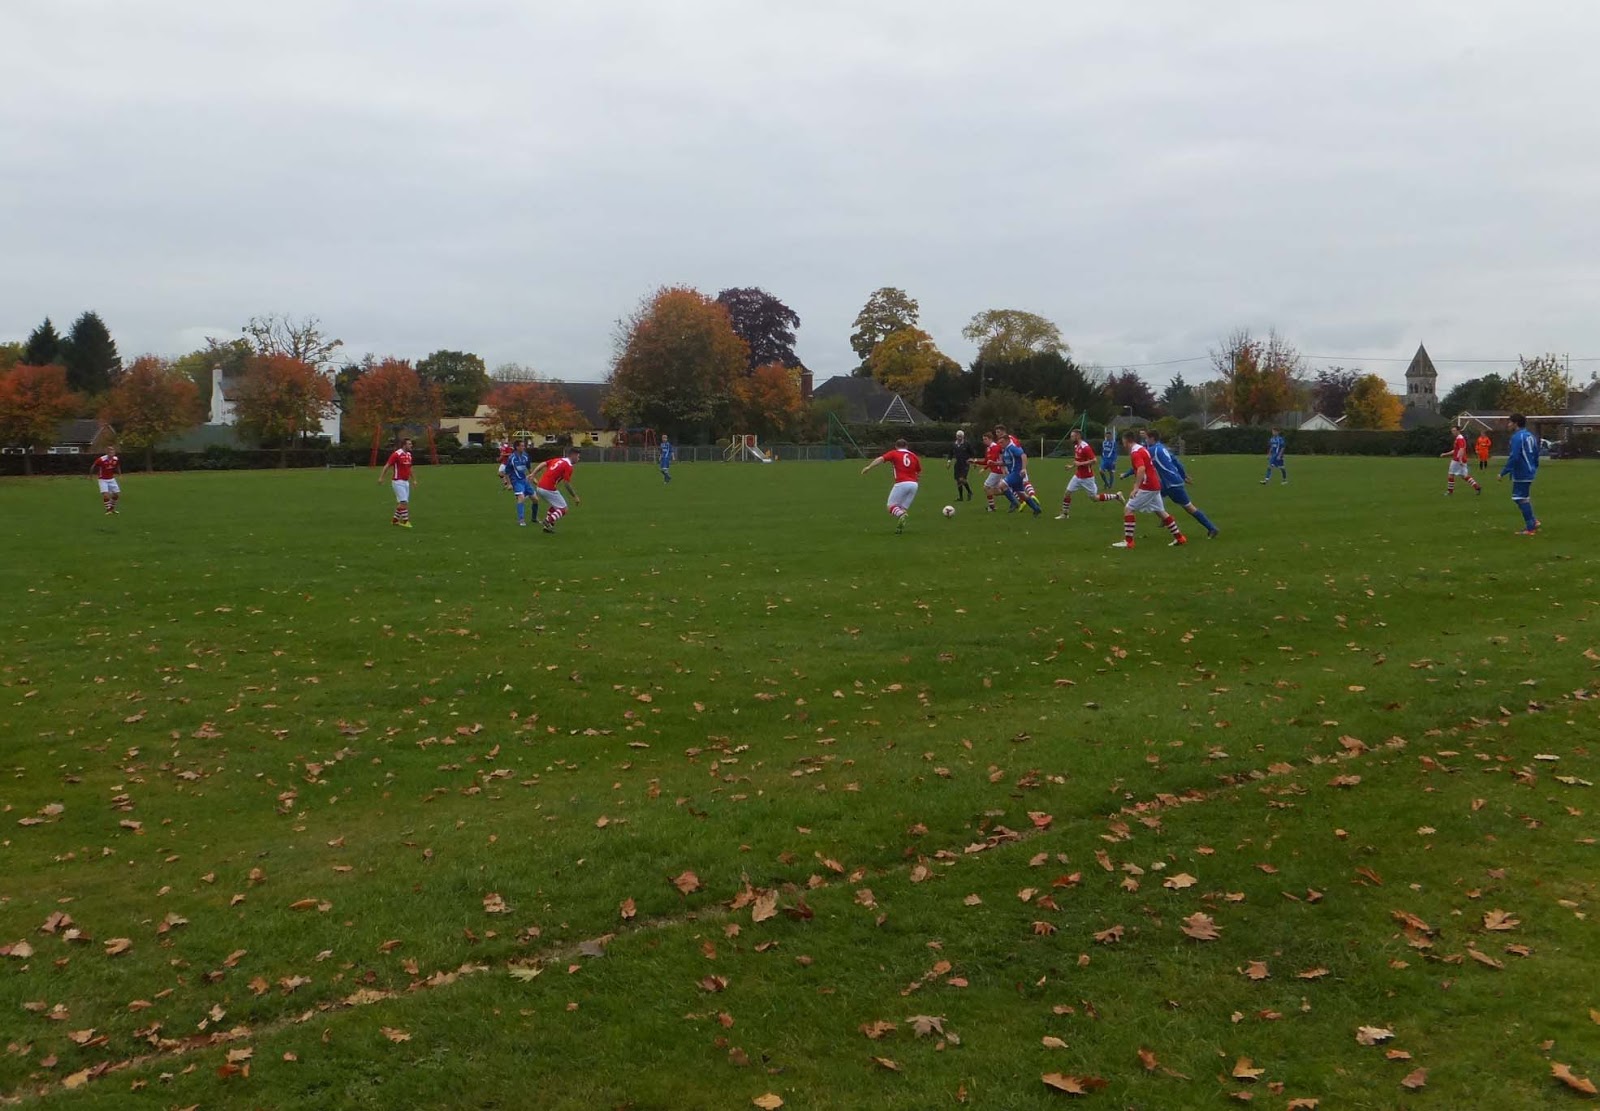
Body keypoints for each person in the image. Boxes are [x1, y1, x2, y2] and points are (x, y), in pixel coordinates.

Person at [1113, 430, 1186, 549]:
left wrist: (1136, 487)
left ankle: (1128, 542)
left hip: (1148, 486)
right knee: (1160, 512)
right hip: (1155, 484)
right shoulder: (1141, 448)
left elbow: (1141, 469)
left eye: (1123, 441)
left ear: (1126, 440)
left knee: (1129, 509)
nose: (1123, 443)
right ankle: (1179, 538)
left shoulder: (1135, 452)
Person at [1147, 429, 1219, 538]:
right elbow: (1176, 462)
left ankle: (1212, 528)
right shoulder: (1162, 447)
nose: (1146, 440)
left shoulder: (1152, 450)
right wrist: (1183, 476)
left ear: (1152, 438)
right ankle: (1165, 518)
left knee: (1189, 508)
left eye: (1147, 438)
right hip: (1168, 482)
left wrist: (1127, 474)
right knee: (1153, 497)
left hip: (1172, 484)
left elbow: (1142, 465)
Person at [1056, 429, 1123, 519]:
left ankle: (1117, 496)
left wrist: (1080, 464)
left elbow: (1094, 460)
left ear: (1078, 436)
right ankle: (1065, 514)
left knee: (1094, 498)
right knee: (1067, 493)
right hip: (1078, 476)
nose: (1070, 438)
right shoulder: (1076, 446)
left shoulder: (1085, 447)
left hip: (1087, 478)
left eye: (1072, 436)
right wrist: (1071, 466)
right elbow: (1079, 461)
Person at [861, 438, 921, 533]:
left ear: (896, 446)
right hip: (914, 484)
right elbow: (918, 471)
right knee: (901, 508)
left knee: (891, 506)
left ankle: (901, 516)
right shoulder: (913, 456)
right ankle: (899, 528)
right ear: (907, 446)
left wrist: (869, 467)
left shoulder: (894, 453)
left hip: (901, 483)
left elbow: (881, 459)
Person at [1497, 413, 1541, 535]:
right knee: (1522, 498)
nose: (1508, 424)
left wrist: (1503, 472)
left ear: (1516, 423)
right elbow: (1536, 453)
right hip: (1529, 470)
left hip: (1522, 471)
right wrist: (1534, 467)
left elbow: (1514, 456)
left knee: (1520, 498)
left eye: (1510, 422)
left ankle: (1530, 527)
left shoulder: (1517, 437)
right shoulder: (1530, 436)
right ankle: (1533, 521)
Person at [531, 446, 582, 533]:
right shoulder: (568, 466)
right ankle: (548, 521)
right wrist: (575, 496)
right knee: (563, 509)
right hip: (548, 489)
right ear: (572, 455)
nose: (578, 459)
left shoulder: (558, 460)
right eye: (578, 456)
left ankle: (547, 527)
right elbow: (566, 483)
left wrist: (533, 474)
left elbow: (543, 463)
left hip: (540, 487)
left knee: (555, 506)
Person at [995, 425, 1043, 516]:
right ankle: (1036, 509)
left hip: (1016, 472)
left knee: (1001, 485)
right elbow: (1005, 463)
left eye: (1001, 442)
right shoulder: (1006, 450)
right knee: (1021, 494)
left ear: (1006, 441)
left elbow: (1023, 455)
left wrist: (1023, 468)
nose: (1000, 445)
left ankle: (1014, 503)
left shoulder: (1012, 447)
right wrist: (993, 463)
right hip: (1013, 473)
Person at [378, 437, 415, 528]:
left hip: (406, 482)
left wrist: (414, 479)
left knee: (402, 503)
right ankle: (406, 521)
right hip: (398, 481)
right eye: (409, 444)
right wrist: (381, 477)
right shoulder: (396, 454)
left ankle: (395, 520)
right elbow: (387, 465)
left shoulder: (409, 455)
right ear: (404, 445)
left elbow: (410, 468)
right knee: (403, 502)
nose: (411, 445)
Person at [979, 432, 1017, 512]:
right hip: (995, 470)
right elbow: (987, 461)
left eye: (985, 439)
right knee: (997, 490)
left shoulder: (995, 447)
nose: (984, 441)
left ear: (990, 439)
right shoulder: (988, 448)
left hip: (997, 470)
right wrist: (975, 461)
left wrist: (985, 468)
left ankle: (992, 507)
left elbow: (994, 460)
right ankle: (1012, 495)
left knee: (986, 487)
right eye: (983, 439)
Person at [1441, 424, 1483, 496]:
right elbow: (1456, 450)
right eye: (1452, 431)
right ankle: (1477, 487)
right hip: (1462, 459)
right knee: (1464, 476)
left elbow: (1461, 449)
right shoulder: (1459, 438)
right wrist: (1445, 454)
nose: (1453, 432)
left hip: (1457, 460)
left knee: (1451, 475)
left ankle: (1450, 491)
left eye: (1454, 430)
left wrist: (1459, 459)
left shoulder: (1459, 439)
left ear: (1458, 431)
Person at [505, 440, 535, 526]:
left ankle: (534, 518)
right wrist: (509, 484)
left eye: (523, 446)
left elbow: (529, 467)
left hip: (525, 480)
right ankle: (521, 519)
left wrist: (532, 476)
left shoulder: (526, 456)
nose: (523, 447)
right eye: (522, 446)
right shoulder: (512, 458)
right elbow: (507, 472)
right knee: (521, 497)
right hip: (516, 481)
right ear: (517, 447)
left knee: (535, 499)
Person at [91, 444, 122, 515]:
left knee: (116, 495)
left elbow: (117, 466)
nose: (112, 453)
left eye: (113, 451)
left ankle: (112, 509)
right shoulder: (101, 459)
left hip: (111, 479)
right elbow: (93, 466)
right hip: (102, 479)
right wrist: (91, 476)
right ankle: (108, 510)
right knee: (106, 495)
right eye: (110, 452)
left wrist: (120, 474)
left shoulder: (115, 459)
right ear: (107, 453)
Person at [948, 430, 977, 502]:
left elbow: (973, 453)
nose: (959, 438)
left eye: (960, 436)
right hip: (957, 464)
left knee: (962, 479)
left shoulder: (967, 444)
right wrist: (949, 462)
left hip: (965, 463)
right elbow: (950, 454)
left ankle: (969, 491)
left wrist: (974, 461)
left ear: (963, 436)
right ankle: (961, 497)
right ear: (956, 436)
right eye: (958, 436)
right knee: (958, 481)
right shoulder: (954, 444)